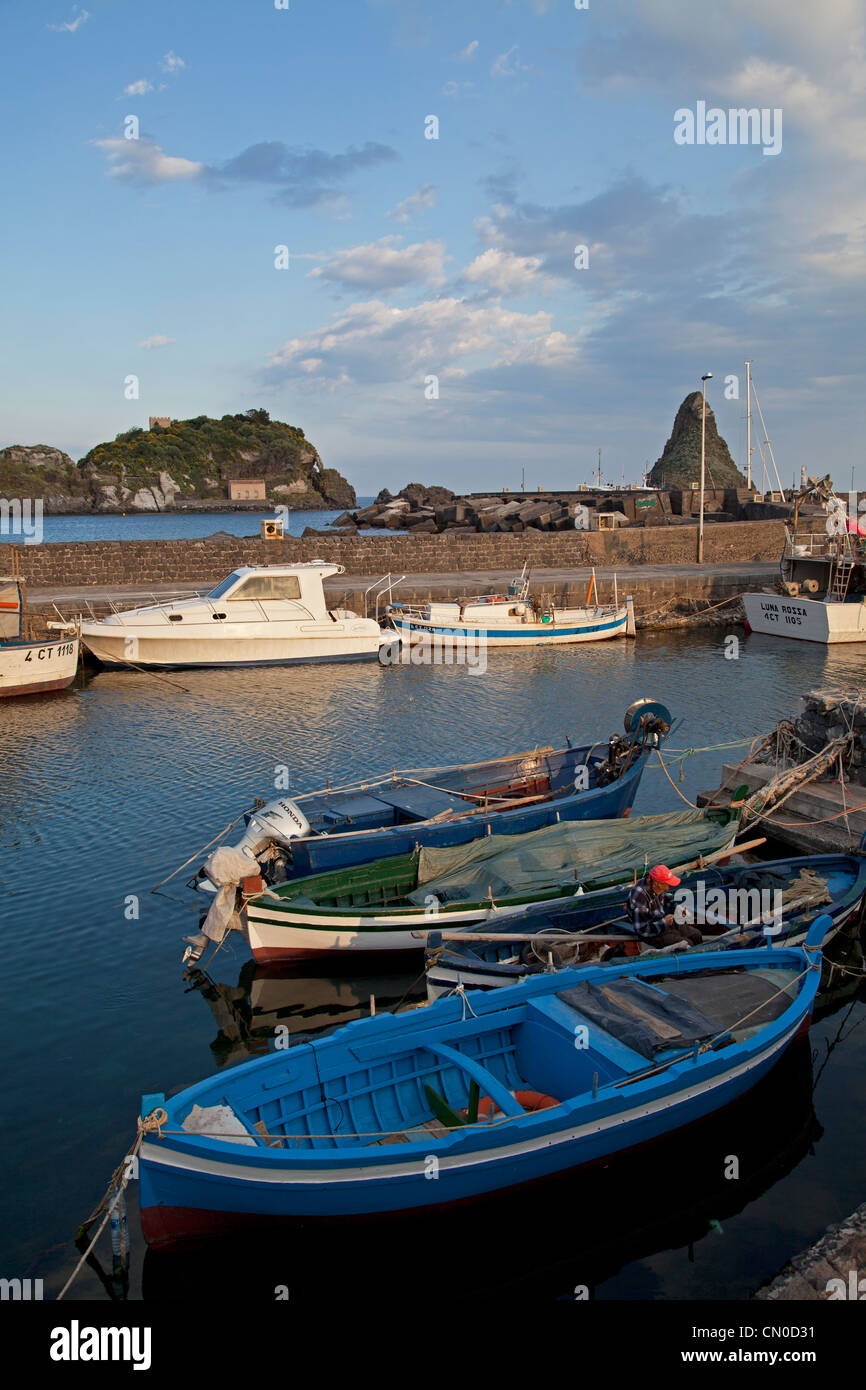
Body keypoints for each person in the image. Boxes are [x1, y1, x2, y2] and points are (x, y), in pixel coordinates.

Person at [625, 864, 702, 947]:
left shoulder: (656, 887)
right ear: (656, 883)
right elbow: (642, 930)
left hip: (662, 921)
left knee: (696, 935)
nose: (667, 888)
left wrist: (677, 907)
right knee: (687, 943)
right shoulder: (639, 896)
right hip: (651, 932)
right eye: (666, 885)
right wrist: (664, 922)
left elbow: (665, 897)